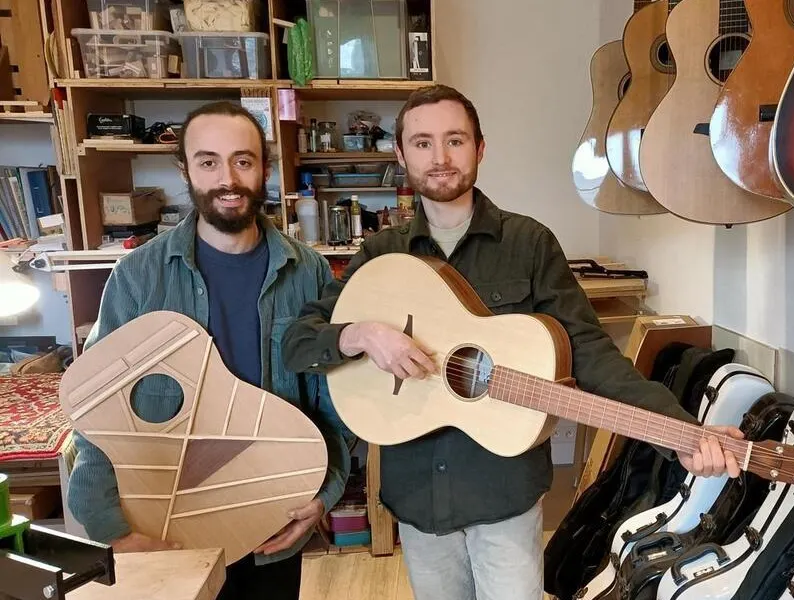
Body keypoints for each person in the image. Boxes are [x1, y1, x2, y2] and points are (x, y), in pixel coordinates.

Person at [281, 84, 743, 599]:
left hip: (504, 495)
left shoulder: (529, 244)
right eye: (422, 143)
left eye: (454, 140)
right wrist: (360, 334)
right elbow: (299, 342)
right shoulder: (380, 256)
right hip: (417, 503)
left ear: (480, 149)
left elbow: (590, 353)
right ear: (401, 154)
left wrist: (680, 432)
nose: (439, 157)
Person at [67, 101, 353, 600]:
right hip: (164, 523)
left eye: (242, 161)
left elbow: (333, 400)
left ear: (264, 166)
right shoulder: (139, 277)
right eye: (208, 161)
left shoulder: (307, 272)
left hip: (272, 514)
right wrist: (111, 527)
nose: (227, 178)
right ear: (185, 169)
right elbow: (100, 407)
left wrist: (322, 495)